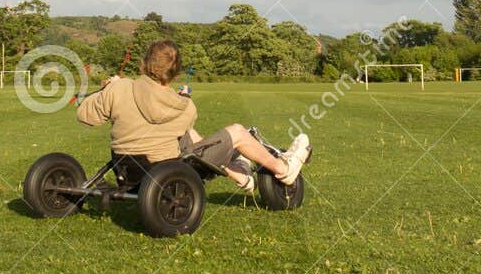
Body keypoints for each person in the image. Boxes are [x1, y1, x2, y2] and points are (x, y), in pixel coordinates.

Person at [75, 39, 310, 191]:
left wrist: (109, 88)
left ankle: (242, 177)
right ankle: (283, 169)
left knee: (190, 136)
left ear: (143, 64)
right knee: (237, 131)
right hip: (167, 176)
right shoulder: (185, 107)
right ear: (175, 73)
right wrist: (183, 98)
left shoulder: (120, 88)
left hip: (127, 171)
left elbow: (85, 115)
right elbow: (177, 120)